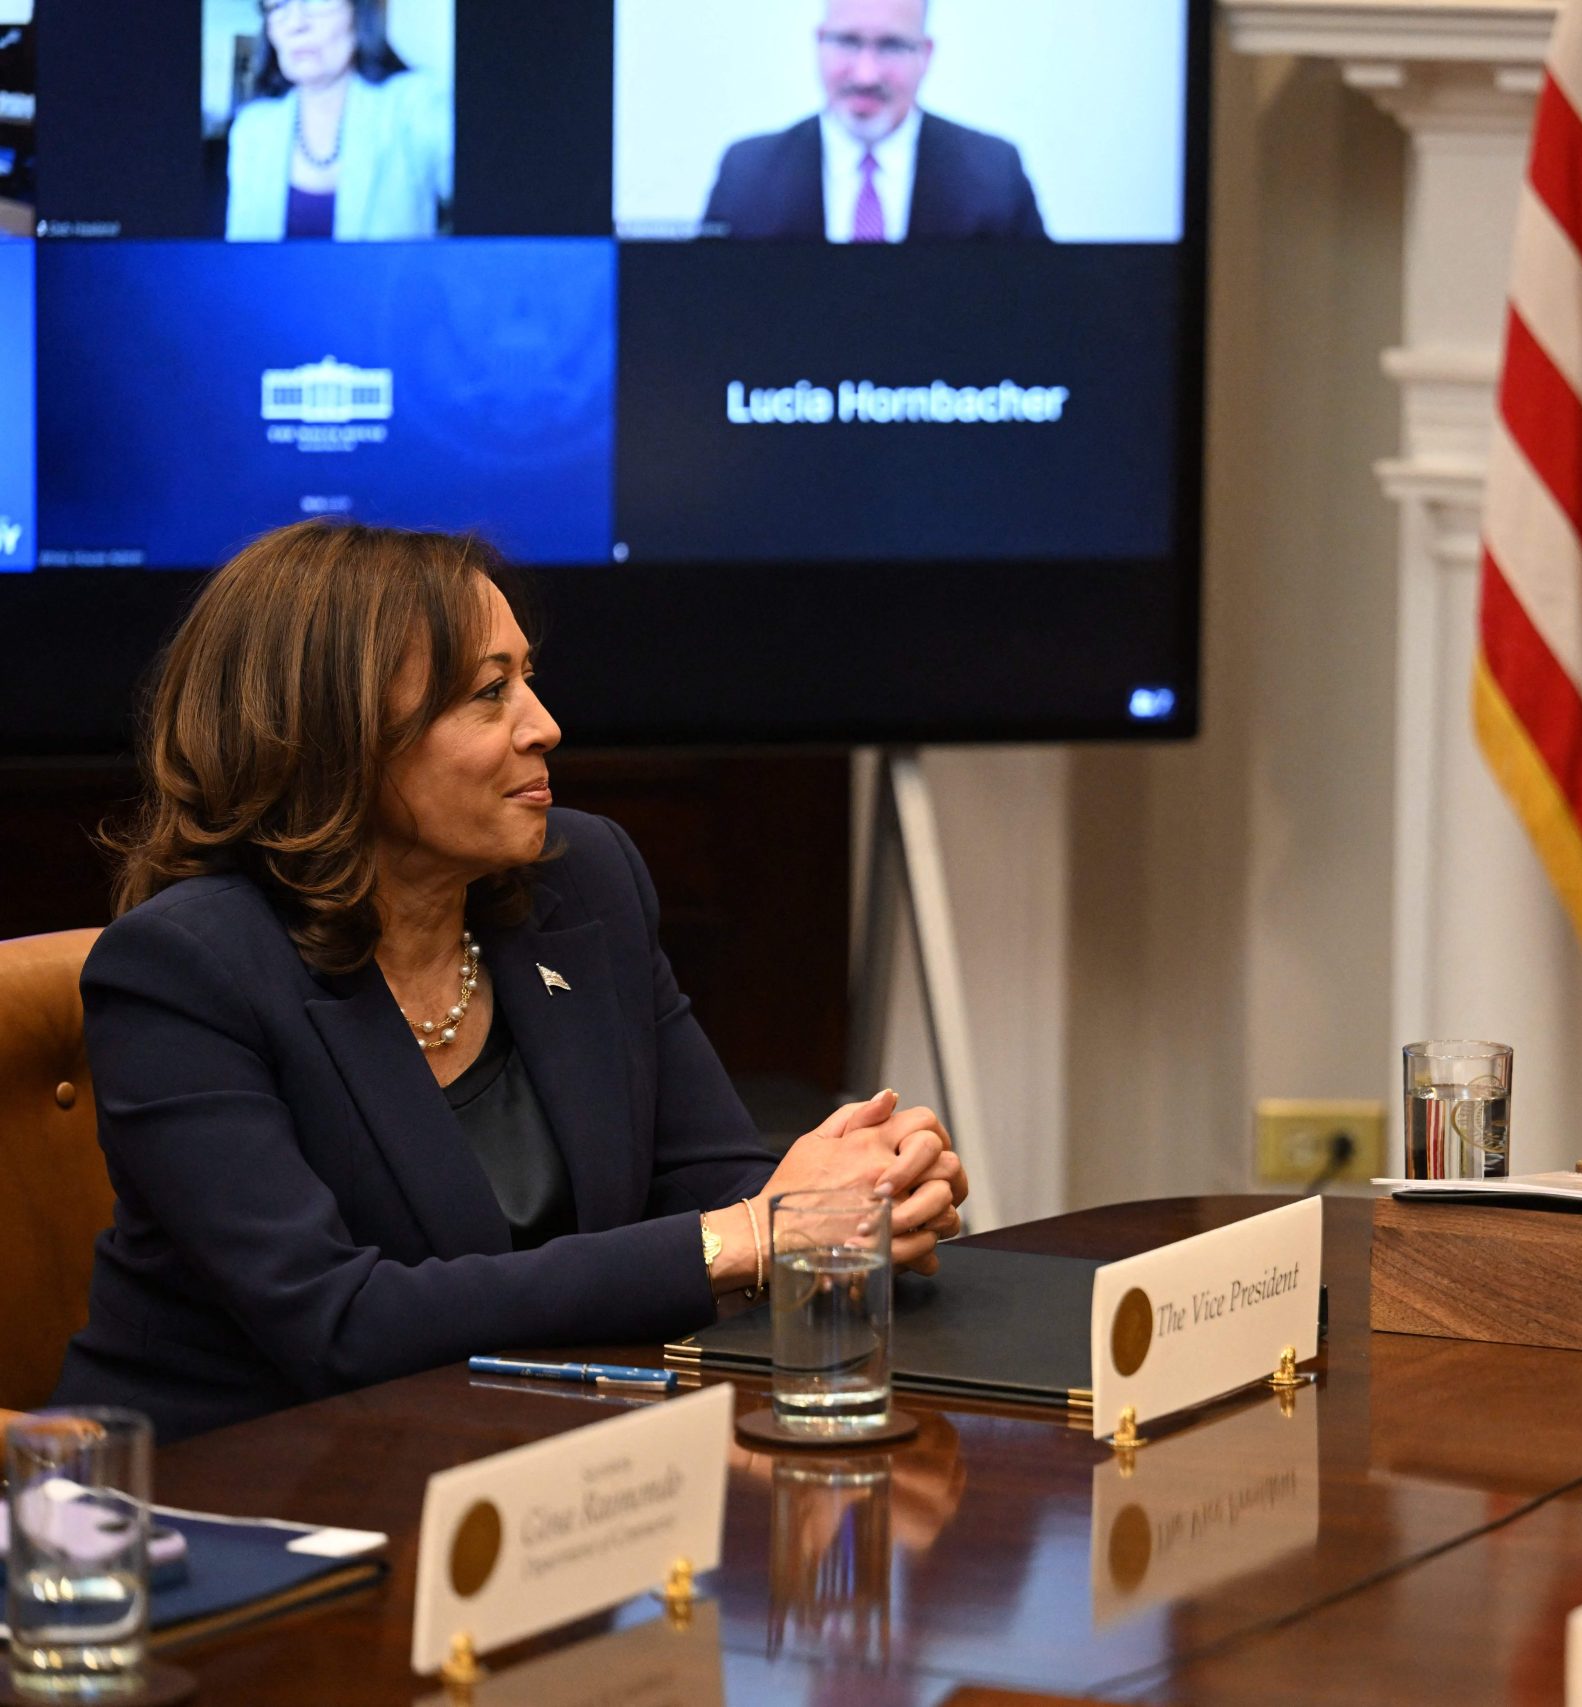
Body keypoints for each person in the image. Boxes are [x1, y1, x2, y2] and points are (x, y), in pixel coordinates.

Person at [52, 521, 966, 1440]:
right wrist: (757, 1235)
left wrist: (857, 1191)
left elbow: (710, 1179)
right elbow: (341, 1322)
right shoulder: (182, 972)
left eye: (528, 680)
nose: (545, 726)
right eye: (491, 693)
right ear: (341, 738)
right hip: (232, 1503)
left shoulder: (586, 880)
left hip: (528, 1473)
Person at [702, 0, 1045, 243]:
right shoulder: (747, 174)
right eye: (848, 42)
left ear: (925, 55)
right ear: (819, 43)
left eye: (891, 45)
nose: (866, 74)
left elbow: (1039, 314)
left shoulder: (996, 176)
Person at [222, 0, 451, 241]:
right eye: (278, 6)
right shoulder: (253, 129)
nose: (295, 23)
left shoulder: (417, 104)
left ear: (358, 10)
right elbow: (242, 263)